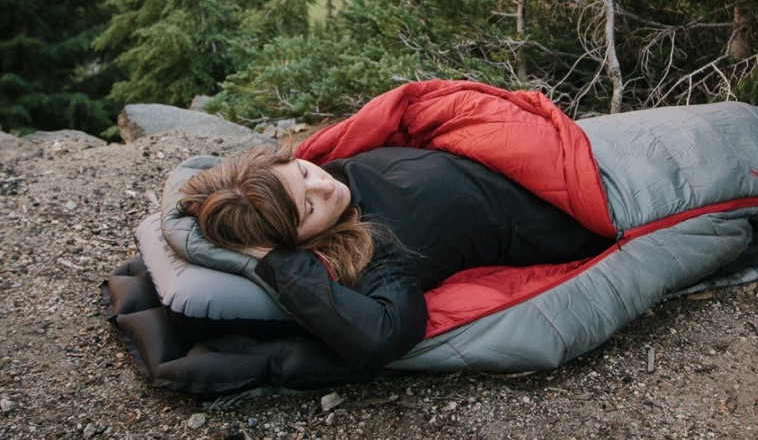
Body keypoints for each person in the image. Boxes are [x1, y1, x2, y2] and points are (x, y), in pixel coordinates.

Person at [178, 140, 614, 384]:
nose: (324, 187)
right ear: (297, 243)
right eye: (309, 209)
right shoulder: (376, 246)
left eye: (304, 173)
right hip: (582, 215)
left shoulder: (339, 169)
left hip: (550, 159)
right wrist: (275, 262)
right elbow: (383, 336)